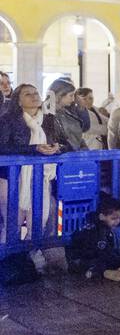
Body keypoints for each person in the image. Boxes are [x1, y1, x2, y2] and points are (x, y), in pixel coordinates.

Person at [0, 83, 66, 250]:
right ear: (19, 101)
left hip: (42, 178)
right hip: (11, 178)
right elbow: (3, 146)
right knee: (11, 223)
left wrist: (57, 148)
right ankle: (8, 261)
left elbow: (66, 143)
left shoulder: (49, 119)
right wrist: (33, 148)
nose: (34, 96)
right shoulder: (8, 120)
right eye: (28, 94)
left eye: (36, 93)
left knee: (38, 222)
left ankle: (33, 261)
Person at [67, 194, 120, 282]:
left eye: (119, 218)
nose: (117, 222)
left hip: (104, 255)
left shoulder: (108, 227)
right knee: (98, 264)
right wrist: (119, 261)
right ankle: (105, 273)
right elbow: (104, 253)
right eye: (113, 218)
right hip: (87, 258)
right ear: (102, 217)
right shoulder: (97, 230)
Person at [46, 79, 86, 151]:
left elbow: (79, 137)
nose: (73, 99)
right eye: (71, 95)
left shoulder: (66, 113)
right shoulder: (45, 115)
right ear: (60, 95)